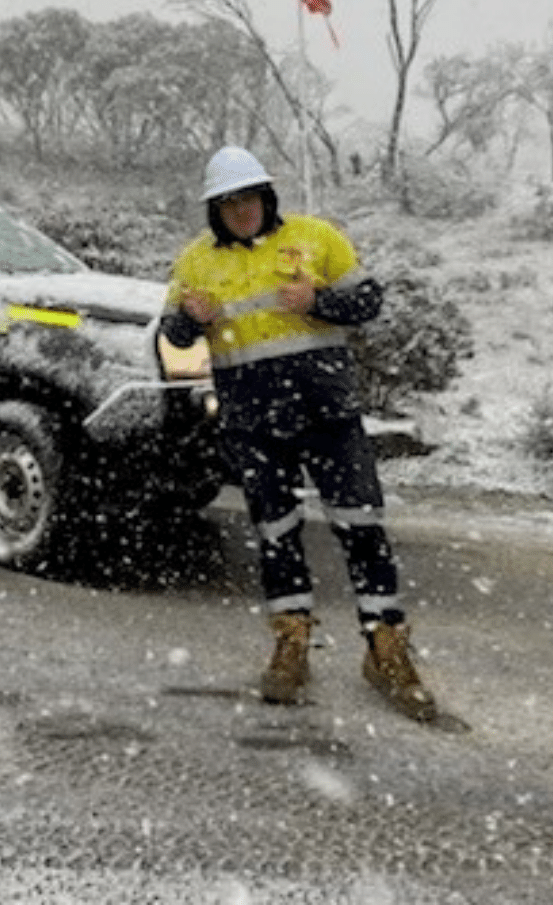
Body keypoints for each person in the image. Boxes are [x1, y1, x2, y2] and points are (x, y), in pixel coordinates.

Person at [160, 145, 436, 721]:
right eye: (229, 202)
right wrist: (190, 318)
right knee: (276, 532)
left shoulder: (317, 237)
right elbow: (175, 338)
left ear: (267, 197)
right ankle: (291, 644)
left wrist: (320, 300)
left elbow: (368, 301)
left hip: (328, 414)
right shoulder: (195, 263)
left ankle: (386, 649)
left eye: (251, 197)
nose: (242, 210)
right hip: (253, 423)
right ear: (215, 209)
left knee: (361, 528)